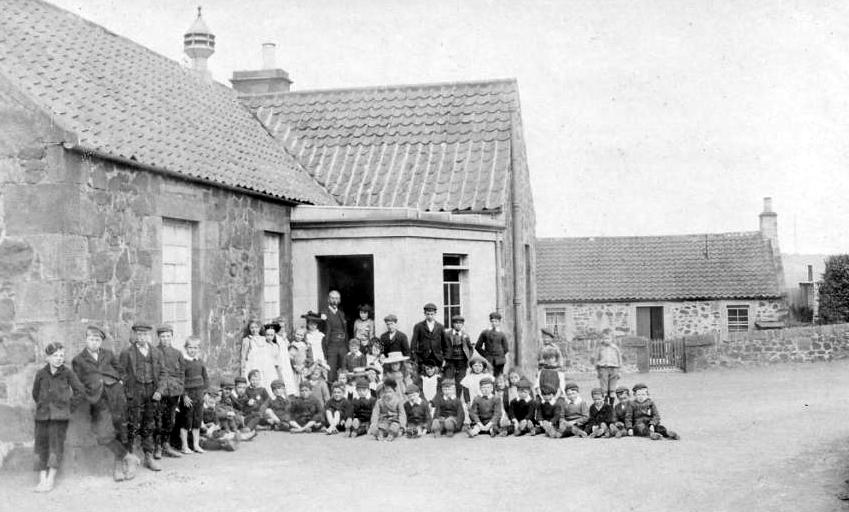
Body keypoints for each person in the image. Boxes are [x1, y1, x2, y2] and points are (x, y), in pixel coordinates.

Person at [72, 325, 137, 482]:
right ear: (86, 340)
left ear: (101, 341)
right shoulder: (78, 360)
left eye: (97, 339)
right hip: (97, 400)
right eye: (91, 339)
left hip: (115, 396)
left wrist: (120, 383)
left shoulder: (108, 354)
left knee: (121, 430)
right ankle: (129, 457)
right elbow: (77, 383)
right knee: (103, 435)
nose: (94, 342)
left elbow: (122, 371)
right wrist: (87, 396)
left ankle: (119, 467)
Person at [31, 342, 85, 492]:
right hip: (42, 417)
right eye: (55, 356)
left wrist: (68, 408)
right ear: (47, 358)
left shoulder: (67, 373)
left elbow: (80, 392)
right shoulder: (40, 374)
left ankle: (50, 480)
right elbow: (35, 394)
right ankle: (41, 480)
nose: (59, 359)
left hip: (59, 418)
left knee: (55, 447)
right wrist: (43, 406)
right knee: (41, 447)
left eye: (61, 355)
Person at [119, 322, 167, 472]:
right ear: (134, 335)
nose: (142, 337)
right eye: (139, 334)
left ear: (150, 336)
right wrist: (127, 392)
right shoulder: (127, 353)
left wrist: (159, 390)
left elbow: (164, 373)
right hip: (135, 393)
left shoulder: (156, 353)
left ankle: (148, 456)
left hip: (152, 393)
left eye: (145, 334)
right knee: (132, 425)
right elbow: (121, 374)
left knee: (149, 425)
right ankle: (130, 457)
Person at [154, 324, 184, 459]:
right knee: (158, 419)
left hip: (174, 391)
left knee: (170, 419)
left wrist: (180, 388)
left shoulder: (177, 353)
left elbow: (182, 373)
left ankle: (166, 444)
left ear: (172, 337)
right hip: (160, 391)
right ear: (158, 337)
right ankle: (157, 447)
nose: (165, 339)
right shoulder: (154, 352)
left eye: (168, 336)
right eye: (162, 336)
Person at [178, 336, 209, 453]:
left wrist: (205, 392)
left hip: (199, 393)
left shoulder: (200, 362)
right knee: (186, 420)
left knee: (197, 420)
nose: (193, 350)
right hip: (188, 395)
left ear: (199, 349)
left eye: (195, 348)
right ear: (186, 348)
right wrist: (184, 395)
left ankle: (196, 445)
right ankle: (184, 446)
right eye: (190, 347)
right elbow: (180, 380)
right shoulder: (183, 362)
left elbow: (205, 378)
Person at [244, 321, 287, 396]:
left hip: (269, 367)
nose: (254, 330)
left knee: (271, 383)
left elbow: (275, 355)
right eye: (252, 328)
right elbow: (246, 356)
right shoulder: (253, 341)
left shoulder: (270, 342)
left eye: (256, 327)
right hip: (259, 365)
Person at [321, 290, 348, 383]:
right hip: (331, 345)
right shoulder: (324, 313)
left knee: (343, 368)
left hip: (342, 345)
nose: (334, 300)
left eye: (336, 298)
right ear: (328, 299)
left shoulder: (341, 313)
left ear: (339, 300)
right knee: (331, 369)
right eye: (332, 298)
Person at [442, 314, 473, 392]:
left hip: (462, 361)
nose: (458, 325)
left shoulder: (465, 335)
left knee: (460, 382)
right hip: (450, 361)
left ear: (462, 325)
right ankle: (447, 398)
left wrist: (468, 357)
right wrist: (444, 358)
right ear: (453, 324)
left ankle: (458, 399)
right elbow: (442, 347)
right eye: (456, 323)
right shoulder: (447, 334)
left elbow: (470, 348)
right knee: (448, 380)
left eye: (460, 323)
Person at [410, 303, 445, 369]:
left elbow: (445, 344)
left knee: (437, 376)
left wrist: (444, 358)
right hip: (423, 357)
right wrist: (415, 357)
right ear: (425, 314)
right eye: (428, 314)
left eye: (432, 314)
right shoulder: (418, 326)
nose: (430, 316)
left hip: (437, 357)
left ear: (435, 314)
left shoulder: (440, 327)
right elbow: (413, 343)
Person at [475, 312, 510, 377]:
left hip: (500, 360)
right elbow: (477, 346)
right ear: (490, 322)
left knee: (499, 377)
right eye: (492, 321)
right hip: (489, 359)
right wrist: (485, 355)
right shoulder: (485, 333)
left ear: (499, 322)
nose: (494, 323)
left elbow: (506, 348)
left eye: (496, 321)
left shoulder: (501, 334)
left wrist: (500, 354)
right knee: (488, 376)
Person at [593, 332, 623, 404]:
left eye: (608, 338)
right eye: (605, 338)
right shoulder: (600, 348)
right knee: (604, 389)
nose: (606, 340)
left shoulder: (615, 348)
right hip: (603, 368)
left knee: (612, 389)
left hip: (614, 369)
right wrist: (596, 370)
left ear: (612, 339)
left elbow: (619, 359)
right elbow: (596, 359)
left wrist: (619, 371)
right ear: (602, 339)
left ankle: (611, 406)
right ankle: (606, 405)